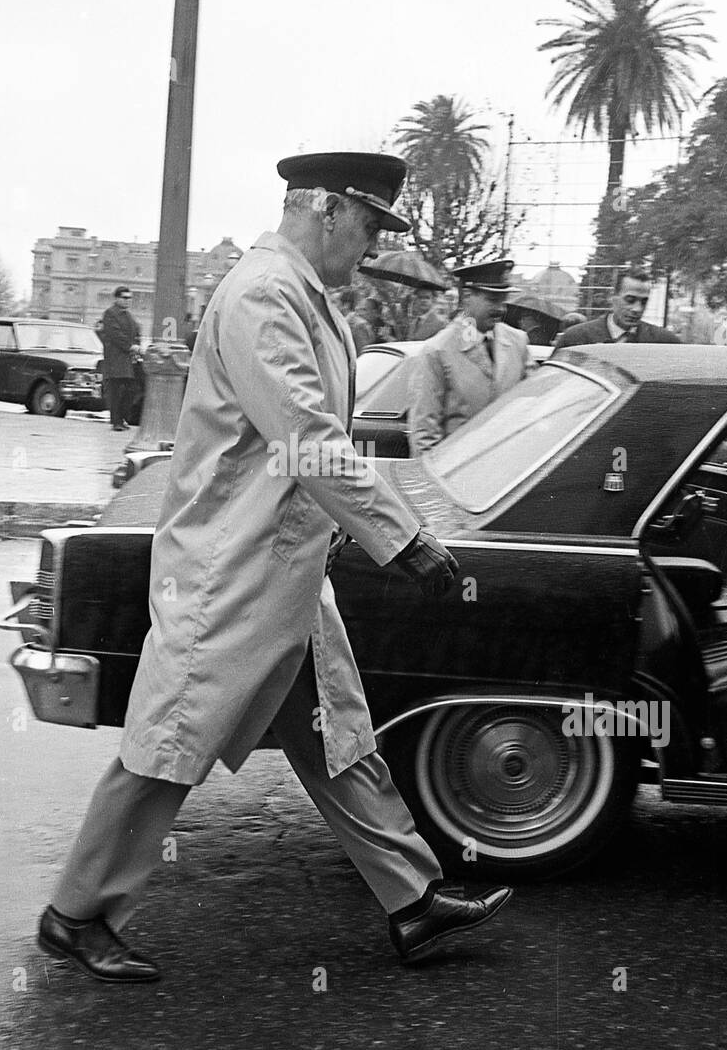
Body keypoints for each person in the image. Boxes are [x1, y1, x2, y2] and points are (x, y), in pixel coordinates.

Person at [37, 151, 513, 982]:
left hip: (284, 564)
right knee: (169, 744)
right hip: (232, 570)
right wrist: (401, 537)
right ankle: (76, 914)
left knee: (340, 734)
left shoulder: (304, 295)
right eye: (368, 225)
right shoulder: (265, 294)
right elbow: (305, 437)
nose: (370, 245)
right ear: (324, 208)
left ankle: (413, 898)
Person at [408, 260, 533, 456]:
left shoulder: (518, 341)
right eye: (492, 300)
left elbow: (534, 404)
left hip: (510, 472)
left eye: (503, 300)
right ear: (467, 296)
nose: (501, 309)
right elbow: (424, 431)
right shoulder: (437, 350)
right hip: (457, 474)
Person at [554, 272, 681, 348]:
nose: (637, 309)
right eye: (630, 300)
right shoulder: (576, 338)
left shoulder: (663, 342)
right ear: (612, 297)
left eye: (644, 302)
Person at [98, 285, 142, 431]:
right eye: (124, 298)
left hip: (127, 360)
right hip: (115, 360)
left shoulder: (129, 316)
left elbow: (136, 332)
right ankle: (116, 421)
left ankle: (122, 418)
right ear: (116, 298)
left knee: (130, 390)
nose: (127, 301)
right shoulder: (110, 314)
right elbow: (115, 334)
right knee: (116, 391)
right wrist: (131, 346)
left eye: (129, 298)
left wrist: (136, 344)